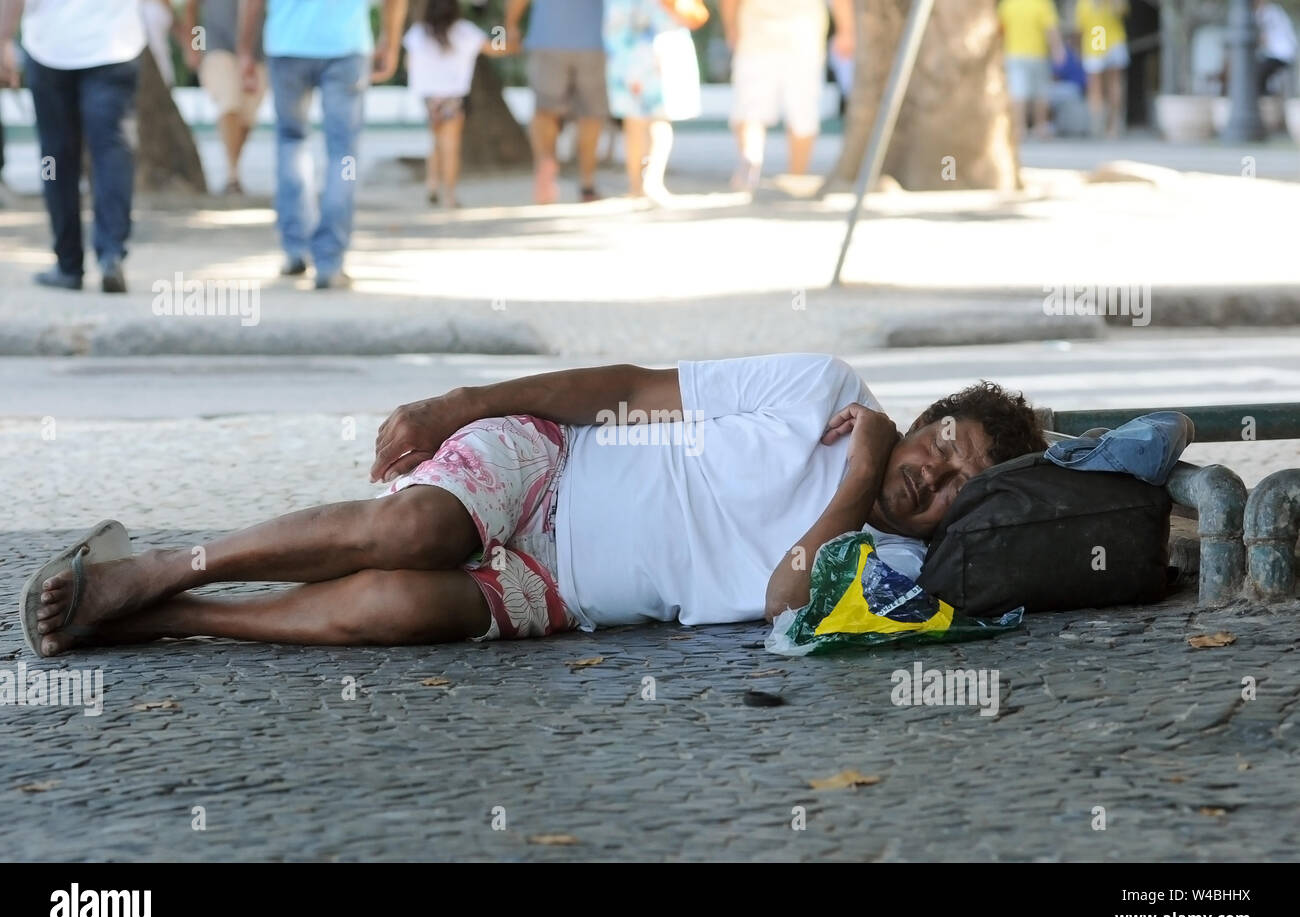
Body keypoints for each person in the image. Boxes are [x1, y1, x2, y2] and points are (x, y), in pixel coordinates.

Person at [23, 353, 1048, 657]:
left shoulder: (888, 566)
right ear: (927, 416)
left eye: (957, 488)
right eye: (940, 444)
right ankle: (159, 567)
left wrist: (865, 471)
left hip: (563, 587)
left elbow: (786, 594)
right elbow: (633, 387)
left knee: (402, 610)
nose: (933, 476)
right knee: (418, 527)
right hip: (553, 464)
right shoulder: (822, 389)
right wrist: (464, 402)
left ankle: (166, 617)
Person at [238, 0, 408, 290]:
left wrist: (243, 50)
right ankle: (329, 260)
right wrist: (390, 42)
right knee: (344, 154)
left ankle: (294, 249)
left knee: (291, 142)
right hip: (346, 46)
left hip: (287, 45)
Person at [0, 0, 144, 293]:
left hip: (51, 47)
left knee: (54, 158)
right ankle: (111, 253)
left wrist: (3, 39)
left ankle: (67, 264)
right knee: (111, 152)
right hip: (114, 45)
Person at [722, 0, 854, 191]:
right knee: (803, 114)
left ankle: (750, 161)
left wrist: (731, 27)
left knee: (750, 110)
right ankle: (796, 176)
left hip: (757, 34)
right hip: (802, 38)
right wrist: (846, 30)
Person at [505, 0, 608, 204]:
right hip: (593, 41)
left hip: (548, 40)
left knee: (545, 110)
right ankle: (588, 184)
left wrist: (509, 27)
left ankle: (545, 168)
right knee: (590, 114)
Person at [603, 0, 705, 203]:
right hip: (636, 51)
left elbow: (695, 15)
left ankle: (645, 184)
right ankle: (643, 184)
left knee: (652, 120)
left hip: (650, 51)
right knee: (645, 121)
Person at [403, 0, 499, 209]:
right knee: (451, 146)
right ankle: (450, 195)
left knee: (435, 140)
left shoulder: (418, 32)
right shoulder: (465, 32)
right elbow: (496, 48)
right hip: (452, 97)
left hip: (429, 97)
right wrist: (502, 28)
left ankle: (432, 185)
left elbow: (408, 63)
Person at [186, 0, 268, 195]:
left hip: (259, 50)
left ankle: (233, 171)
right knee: (229, 104)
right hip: (217, 47)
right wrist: (194, 46)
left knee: (248, 117)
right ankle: (233, 175)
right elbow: (191, 7)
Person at [997, 0, 1065, 141]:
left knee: (1018, 93)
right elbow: (1051, 29)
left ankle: (1019, 129)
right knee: (1041, 94)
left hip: (1013, 54)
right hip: (1037, 54)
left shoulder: (1008, 4)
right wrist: (1058, 50)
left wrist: (999, 53)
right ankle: (1041, 128)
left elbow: (1000, 31)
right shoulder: (1042, 4)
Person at [1074, 0, 1128, 138]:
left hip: (1095, 41)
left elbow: (1079, 28)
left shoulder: (1084, 3)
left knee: (1095, 87)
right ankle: (1113, 125)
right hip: (1114, 41)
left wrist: (1078, 49)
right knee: (1114, 84)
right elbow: (1123, 11)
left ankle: (1097, 125)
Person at [1255, 0, 1297, 96]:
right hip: (1280, 53)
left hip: (1281, 54)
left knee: (1258, 71)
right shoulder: (1273, 11)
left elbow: (1263, 38)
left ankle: (1265, 97)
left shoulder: (1268, 12)